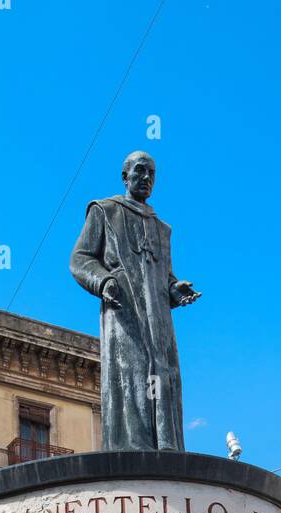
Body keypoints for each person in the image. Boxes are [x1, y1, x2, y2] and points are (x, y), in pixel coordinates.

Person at [70, 151, 200, 452]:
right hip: (123, 313)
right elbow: (80, 259)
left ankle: (165, 449)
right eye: (140, 171)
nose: (146, 178)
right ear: (124, 176)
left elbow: (165, 277)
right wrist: (103, 280)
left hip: (160, 323)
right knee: (131, 375)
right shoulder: (103, 211)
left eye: (152, 174)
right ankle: (131, 451)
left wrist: (175, 289)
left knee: (163, 377)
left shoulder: (162, 229)